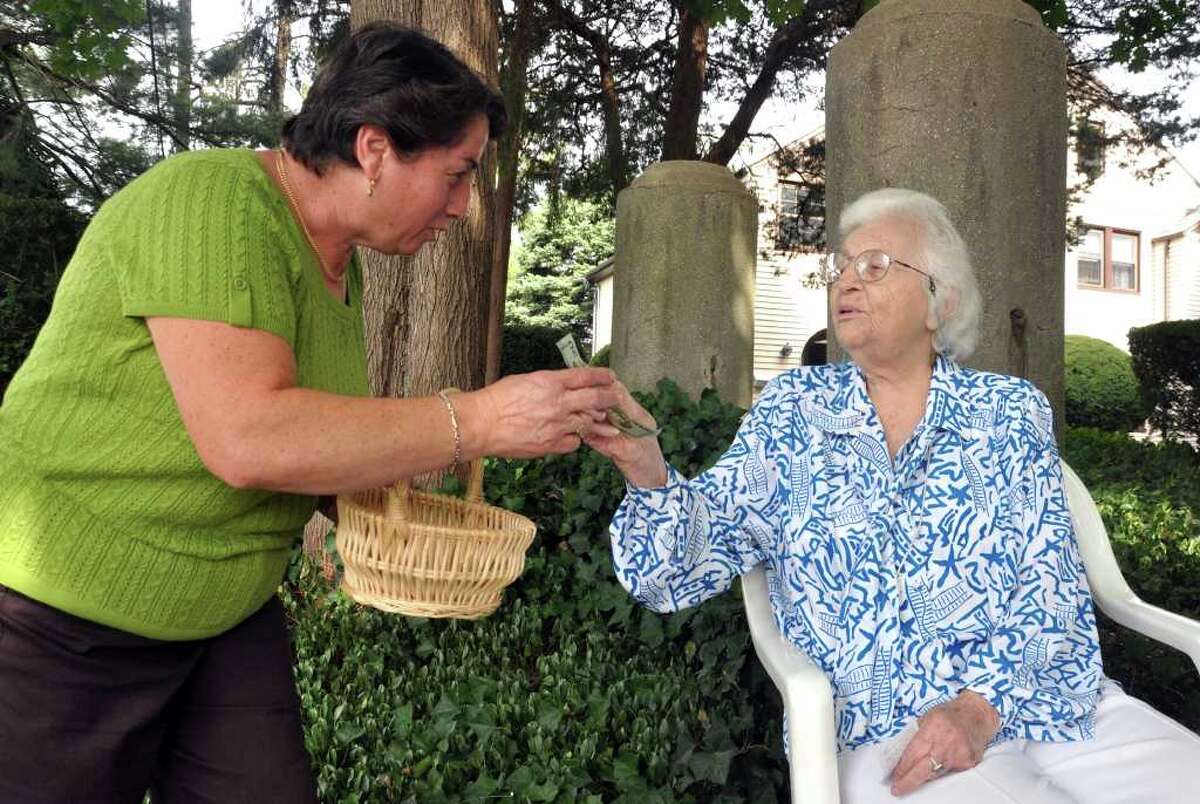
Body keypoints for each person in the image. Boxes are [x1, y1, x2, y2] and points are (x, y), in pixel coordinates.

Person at [0, 23, 618, 803]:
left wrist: (427, 499)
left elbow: (312, 448)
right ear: (373, 149)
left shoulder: (338, 267)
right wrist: (477, 421)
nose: (463, 208)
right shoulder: (209, 201)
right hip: (63, 616)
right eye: (457, 175)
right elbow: (250, 439)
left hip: (225, 614)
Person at [588, 188, 1200, 802]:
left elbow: (1050, 585)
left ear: (940, 301)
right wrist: (648, 469)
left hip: (1047, 701)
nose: (847, 282)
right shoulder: (792, 413)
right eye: (842, 267)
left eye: (874, 265)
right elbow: (671, 573)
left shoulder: (1009, 412)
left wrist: (981, 707)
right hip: (888, 733)